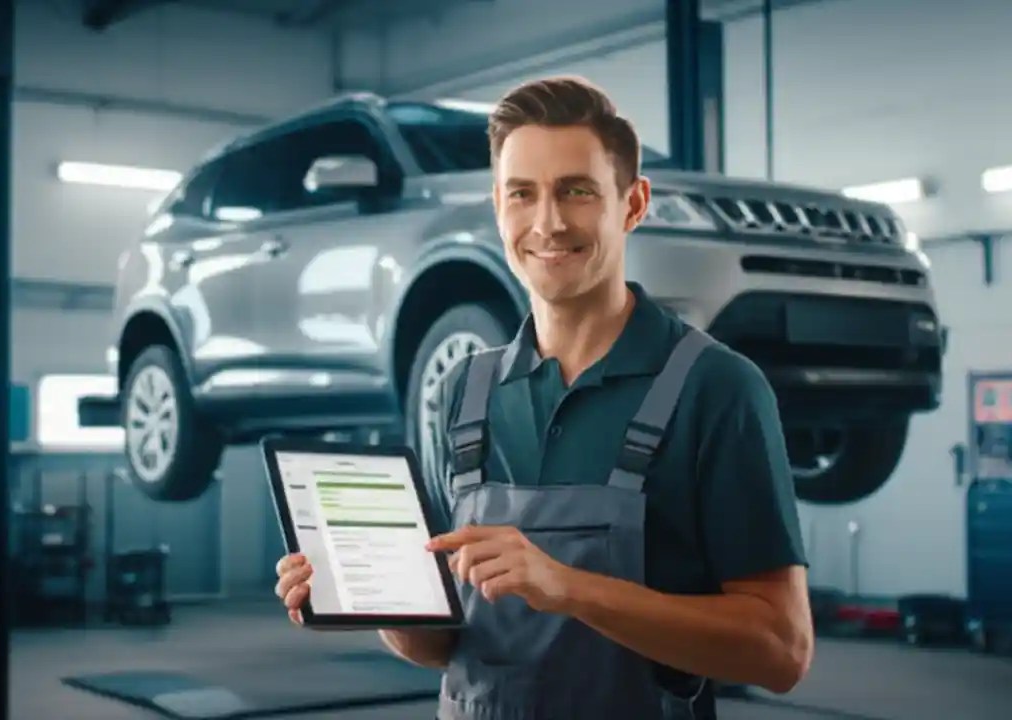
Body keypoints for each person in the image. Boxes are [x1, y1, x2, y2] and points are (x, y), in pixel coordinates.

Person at [274, 75, 814, 719]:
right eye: (522, 195)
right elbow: (448, 644)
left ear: (633, 203)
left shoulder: (715, 388)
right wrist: (361, 597)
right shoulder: (463, 392)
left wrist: (568, 587)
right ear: (497, 207)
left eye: (577, 192)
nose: (548, 223)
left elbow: (780, 650)